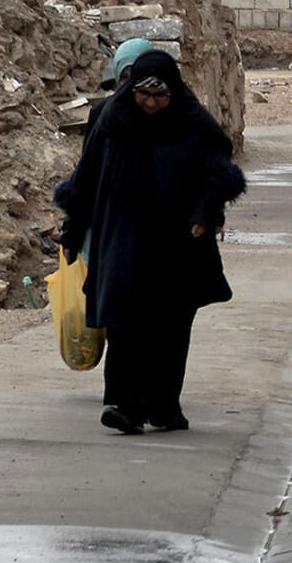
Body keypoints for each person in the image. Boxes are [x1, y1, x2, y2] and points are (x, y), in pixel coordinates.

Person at [54, 49, 247, 435]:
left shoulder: (194, 123)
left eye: (160, 97)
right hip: (124, 239)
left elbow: (219, 169)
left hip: (178, 243)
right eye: (144, 95)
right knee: (126, 322)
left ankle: (164, 407)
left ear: (174, 92)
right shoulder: (113, 121)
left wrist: (206, 212)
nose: (152, 104)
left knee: (170, 327)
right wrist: (73, 231)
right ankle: (126, 406)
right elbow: (86, 180)